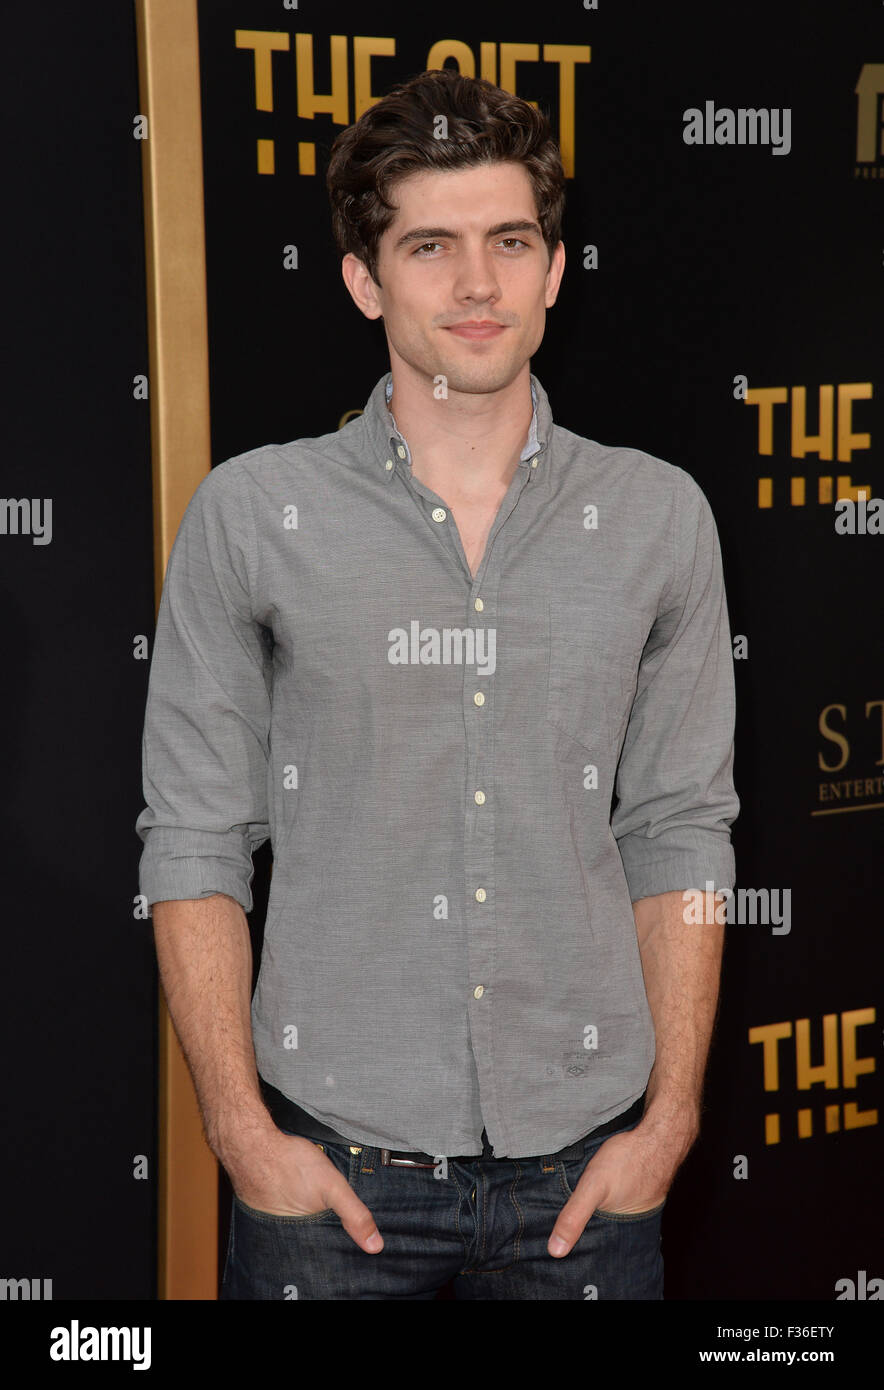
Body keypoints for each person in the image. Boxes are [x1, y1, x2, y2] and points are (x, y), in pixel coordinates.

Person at [136, 68, 739, 1301]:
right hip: (328, 1173)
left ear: (554, 267)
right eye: (431, 247)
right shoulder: (253, 515)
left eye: (510, 241)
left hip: (590, 1174)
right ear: (363, 280)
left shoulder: (656, 517)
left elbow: (676, 829)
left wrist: (669, 1118)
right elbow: (193, 841)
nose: (477, 285)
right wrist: (243, 1135)